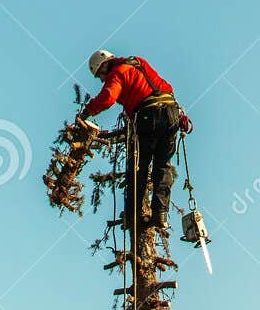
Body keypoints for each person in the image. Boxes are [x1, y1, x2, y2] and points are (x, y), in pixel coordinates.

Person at [81, 50, 190, 234]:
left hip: (148, 116)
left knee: (137, 167)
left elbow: (108, 98)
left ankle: (132, 216)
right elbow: (162, 86)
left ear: (104, 65)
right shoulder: (138, 62)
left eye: (100, 75)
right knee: (162, 167)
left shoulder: (117, 72)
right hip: (171, 114)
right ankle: (159, 214)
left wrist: (87, 112)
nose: (101, 79)